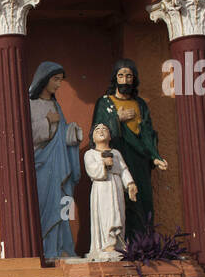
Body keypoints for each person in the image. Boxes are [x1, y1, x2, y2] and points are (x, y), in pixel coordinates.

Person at [90, 59, 168, 241]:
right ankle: (118, 243)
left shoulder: (140, 104)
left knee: (141, 199)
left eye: (129, 76)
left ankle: (142, 244)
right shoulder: (105, 103)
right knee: (118, 200)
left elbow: (147, 132)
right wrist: (117, 118)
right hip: (116, 158)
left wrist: (154, 156)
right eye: (121, 76)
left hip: (139, 160)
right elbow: (96, 130)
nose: (125, 80)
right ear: (115, 78)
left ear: (134, 79)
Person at [28, 61, 83, 259]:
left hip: (59, 165)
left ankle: (62, 248)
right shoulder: (31, 104)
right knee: (45, 207)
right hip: (42, 165)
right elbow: (29, 134)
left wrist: (72, 131)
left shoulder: (55, 105)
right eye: (56, 79)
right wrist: (47, 122)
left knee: (62, 206)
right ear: (44, 79)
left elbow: (62, 134)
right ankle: (46, 249)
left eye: (60, 80)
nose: (59, 84)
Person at [84, 123, 138, 259]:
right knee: (106, 215)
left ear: (110, 136)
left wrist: (130, 184)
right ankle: (107, 243)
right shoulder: (89, 154)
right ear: (92, 138)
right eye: (97, 130)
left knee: (119, 213)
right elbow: (91, 170)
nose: (101, 131)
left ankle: (118, 244)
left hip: (116, 185)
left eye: (104, 129)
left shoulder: (116, 153)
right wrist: (103, 164)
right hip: (102, 187)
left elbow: (124, 169)